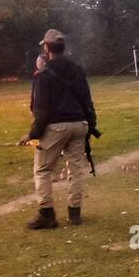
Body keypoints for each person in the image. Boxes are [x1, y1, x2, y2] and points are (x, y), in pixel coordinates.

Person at [18, 29, 97, 229]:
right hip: (80, 125)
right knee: (76, 170)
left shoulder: (43, 74)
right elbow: (87, 100)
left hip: (57, 127)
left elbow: (41, 111)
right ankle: (74, 213)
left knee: (43, 169)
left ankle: (47, 215)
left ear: (47, 48)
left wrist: (32, 134)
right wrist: (91, 125)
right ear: (63, 47)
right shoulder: (77, 69)